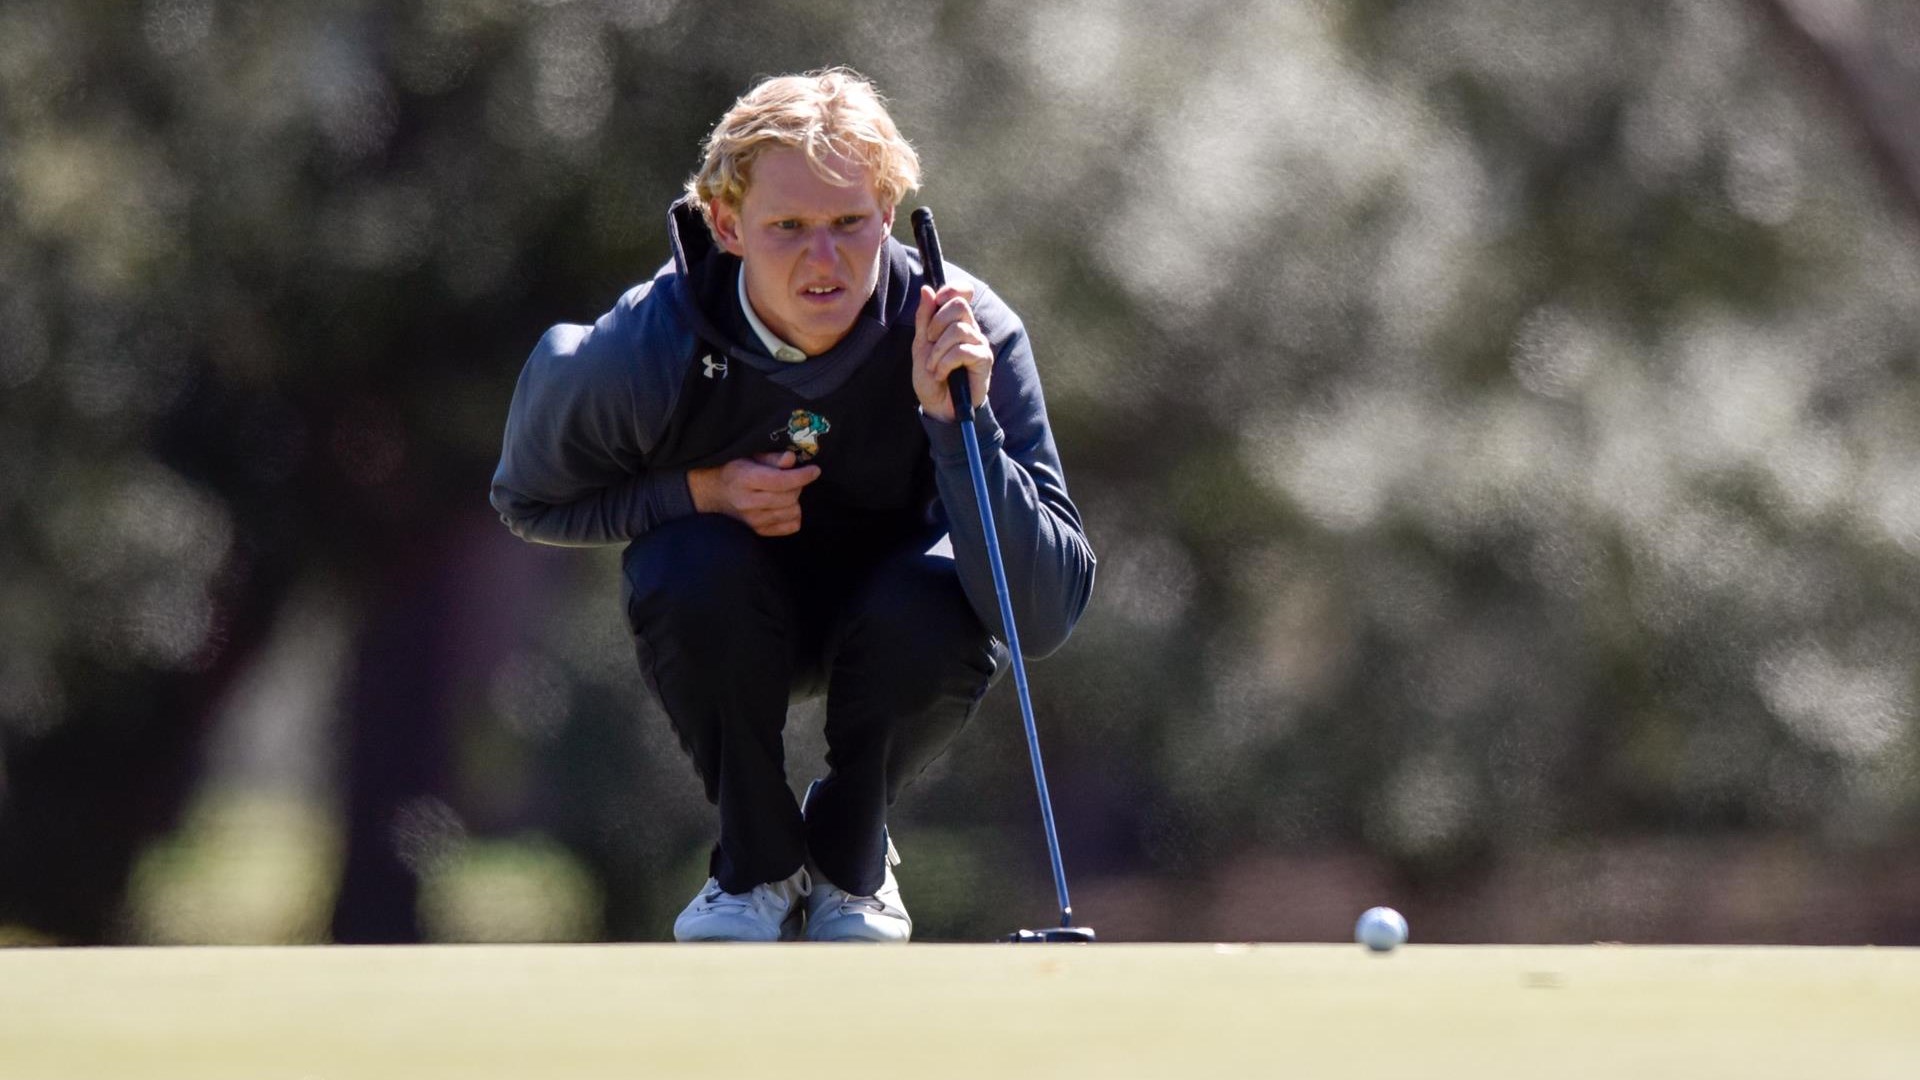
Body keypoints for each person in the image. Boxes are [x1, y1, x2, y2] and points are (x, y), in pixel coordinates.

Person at [489, 68, 1094, 942]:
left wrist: (956, 426)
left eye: (851, 222)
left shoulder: (969, 334)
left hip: (899, 624)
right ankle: (755, 870)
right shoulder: (643, 346)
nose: (826, 260)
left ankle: (853, 862)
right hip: (733, 609)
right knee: (681, 563)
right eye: (789, 228)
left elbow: (1041, 613)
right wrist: (699, 492)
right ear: (727, 225)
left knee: (939, 604)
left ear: (889, 210)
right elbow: (529, 499)